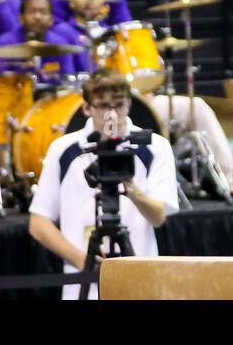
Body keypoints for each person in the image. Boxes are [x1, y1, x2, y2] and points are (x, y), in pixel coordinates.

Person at [29, 71, 178, 298]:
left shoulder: (154, 146)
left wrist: (131, 188)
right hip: (83, 281)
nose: (111, 115)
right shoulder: (64, 149)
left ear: (129, 104)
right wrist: (82, 259)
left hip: (139, 279)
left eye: (118, 105)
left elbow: (157, 216)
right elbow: (38, 223)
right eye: (102, 106)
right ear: (86, 108)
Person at [0, 0, 80, 80]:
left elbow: (67, 79)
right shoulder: (5, 43)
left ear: (51, 19)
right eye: (31, 12)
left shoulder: (61, 44)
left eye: (43, 12)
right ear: (21, 18)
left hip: (52, 93)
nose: (37, 16)